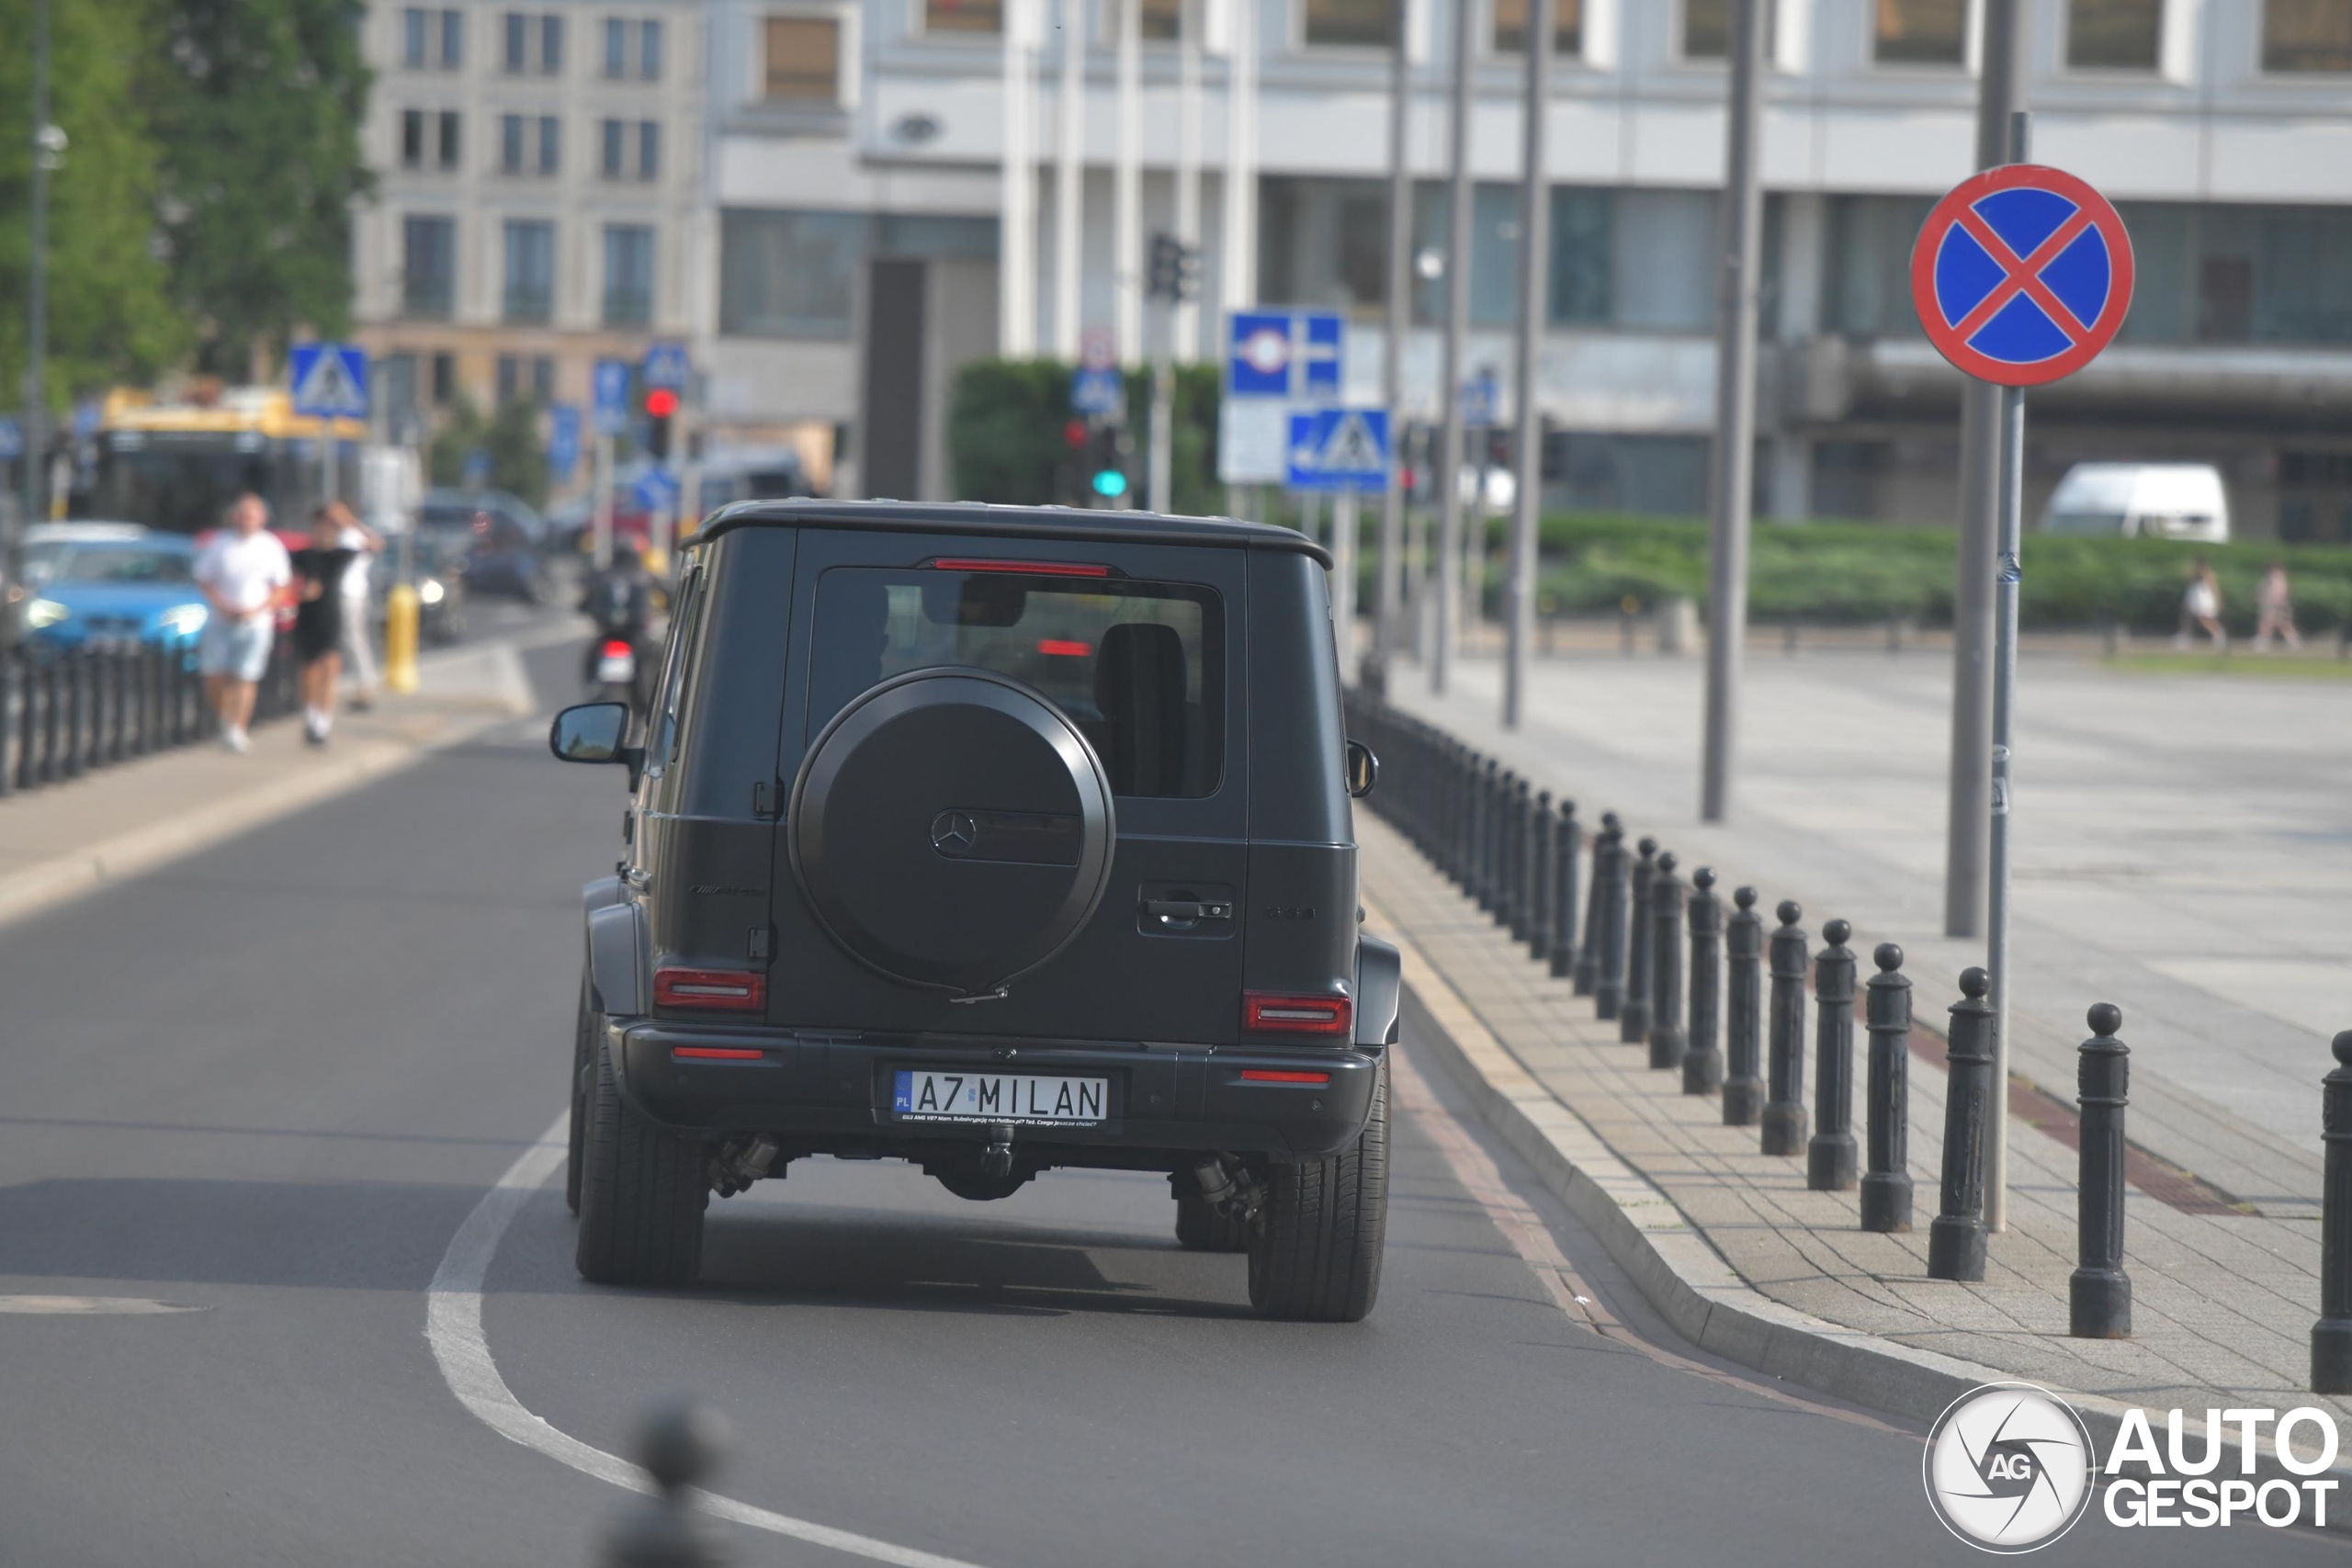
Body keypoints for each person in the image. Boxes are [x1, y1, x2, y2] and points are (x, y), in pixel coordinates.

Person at [192, 492, 294, 753]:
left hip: (256, 623)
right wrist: (223, 605)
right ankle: (225, 718)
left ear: (261, 518)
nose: (247, 519)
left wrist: (259, 609)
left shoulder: (270, 546)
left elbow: (281, 586)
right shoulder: (220, 544)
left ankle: (237, 727)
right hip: (222, 620)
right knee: (215, 674)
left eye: (252, 514)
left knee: (245, 675)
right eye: (243, 514)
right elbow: (204, 578)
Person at [290, 505, 366, 745]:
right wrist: (301, 591)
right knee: (309, 668)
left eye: (329, 526)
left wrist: (347, 520)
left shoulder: (340, 555)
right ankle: (311, 716)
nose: (324, 530)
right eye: (320, 525)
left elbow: (373, 544)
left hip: (330, 613)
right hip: (307, 615)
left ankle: (324, 721)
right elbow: (285, 582)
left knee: (329, 667)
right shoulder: (302, 555)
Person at [580, 545, 657, 705]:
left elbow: (585, 601)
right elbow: (669, 593)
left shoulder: (603, 576)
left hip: (609, 633)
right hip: (634, 635)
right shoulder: (644, 575)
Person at [335, 505, 385, 709]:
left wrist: (353, 524)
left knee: (353, 639)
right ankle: (364, 681)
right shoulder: (352, 533)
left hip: (349, 592)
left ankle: (366, 683)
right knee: (350, 639)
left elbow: (377, 544)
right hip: (348, 591)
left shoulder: (350, 535)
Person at [2174, 557, 2226, 651]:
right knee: (2190, 617)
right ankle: (2185, 637)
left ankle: (2219, 635)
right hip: (2196, 599)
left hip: (2204, 600)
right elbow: (2187, 576)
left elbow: (2213, 586)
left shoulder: (2207, 574)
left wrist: (2218, 600)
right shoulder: (2196, 575)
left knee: (2205, 619)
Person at [2254, 559, 2302, 652]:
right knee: (2276, 625)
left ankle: (2262, 643)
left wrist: (2276, 602)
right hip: (2275, 605)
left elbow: (2279, 593)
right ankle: (2293, 643)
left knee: (2273, 624)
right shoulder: (2276, 579)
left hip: (2277, 605)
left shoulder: (2278, 579)